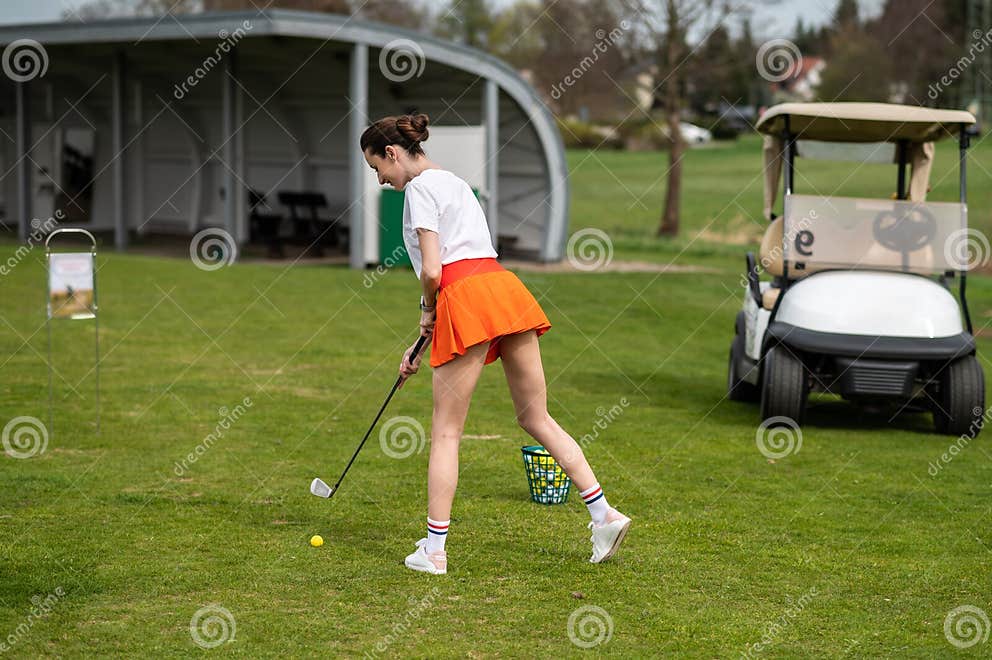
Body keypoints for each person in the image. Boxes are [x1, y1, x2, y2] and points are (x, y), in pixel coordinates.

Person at [360, 113, 630, 575]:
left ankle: (435, 550)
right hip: (503, 290)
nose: (382, 180)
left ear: (391, 153)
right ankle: (604, 514)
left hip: (465, 297)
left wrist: (428, 312)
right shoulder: (458, 183)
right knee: (535, 416)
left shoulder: (421, 190)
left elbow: (433, 271)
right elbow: (465, 260)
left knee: (447, 432)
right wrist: (421, 336)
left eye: (376, 168)